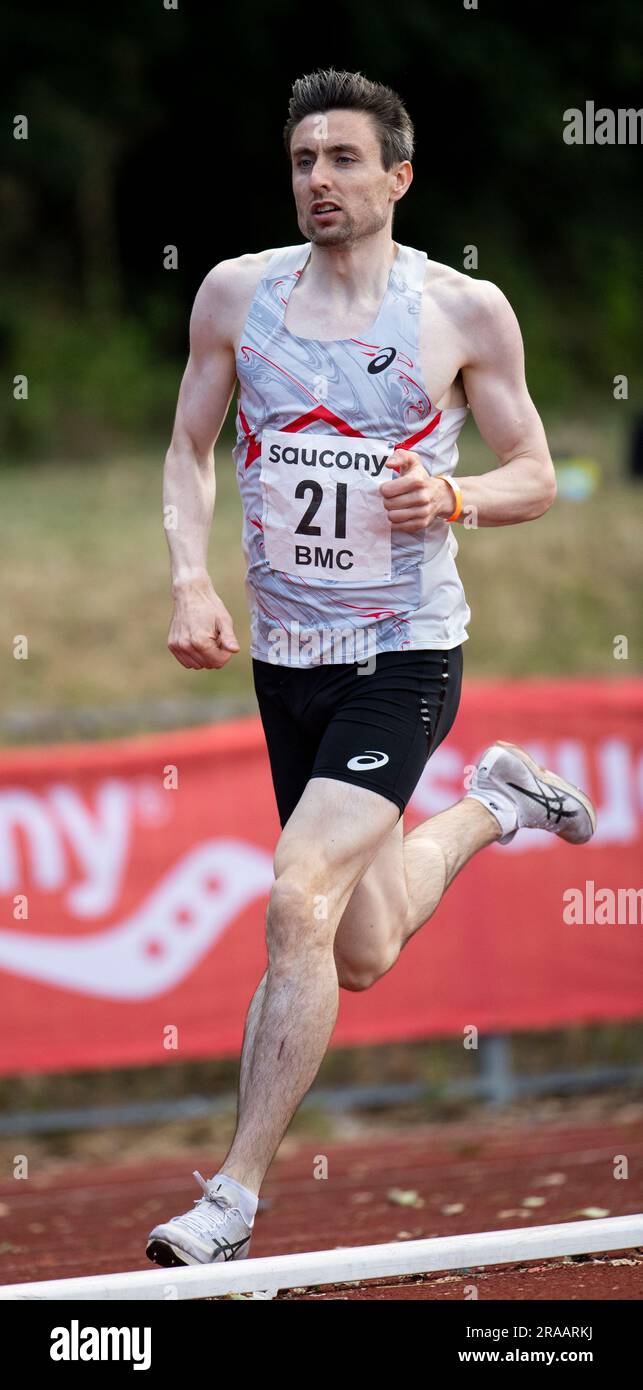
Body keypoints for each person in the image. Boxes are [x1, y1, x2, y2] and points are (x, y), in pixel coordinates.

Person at [146, 69, 596, 1268]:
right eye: (303, 160)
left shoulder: (460, 311)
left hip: (403, 652)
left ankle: (230, 1199)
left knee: (297, 896)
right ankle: (497, 801)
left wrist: (451, 493)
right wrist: (190, 579)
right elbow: (188, 444)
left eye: (344, 159)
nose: (319, 180)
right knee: (359, 947)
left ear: (398, 176)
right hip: (285, 658)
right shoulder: (236, 295)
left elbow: (537, 474)